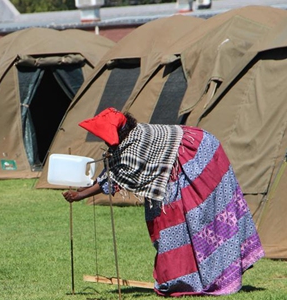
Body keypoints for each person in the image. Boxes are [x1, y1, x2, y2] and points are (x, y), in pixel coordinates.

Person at [62, 107, 264, 296]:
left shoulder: (136, 146)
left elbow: (116, 176)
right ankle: (188, 278)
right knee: (171, 223)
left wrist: (80, 196)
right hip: (180, 164)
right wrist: (83, 187)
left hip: (199, 158)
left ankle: (214, 278)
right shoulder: (129, 137)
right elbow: (112, 169)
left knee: (198, 220)